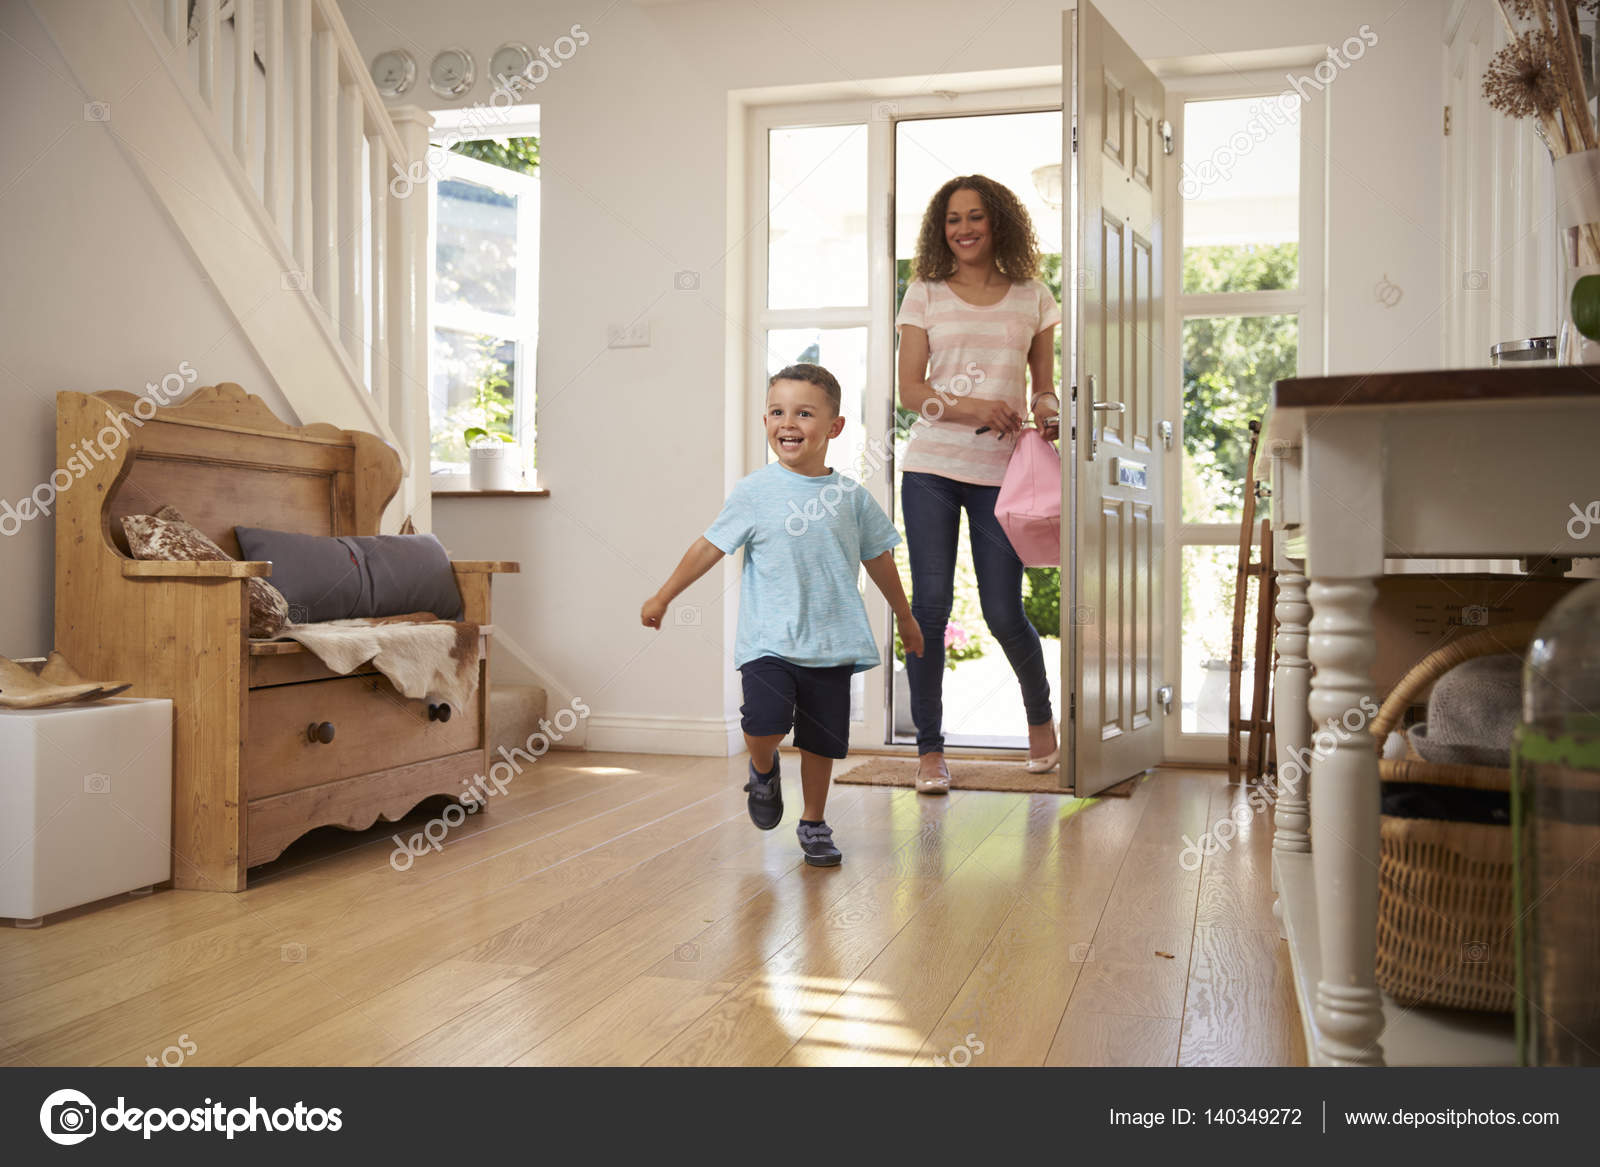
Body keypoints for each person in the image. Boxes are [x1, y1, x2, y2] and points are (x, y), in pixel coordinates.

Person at [641, 363, 923, 866]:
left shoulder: (852, 498)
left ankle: (814, 822)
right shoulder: (755, 491)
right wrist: (664, 596)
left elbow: (879, 557)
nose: (787, 423)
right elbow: (709, 547)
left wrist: (905, 617)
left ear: (834, 427)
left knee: (822, 742)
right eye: (777, 411)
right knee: (764, 722)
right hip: (768, 640)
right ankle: (763, 768)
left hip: (831, 642)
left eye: (803, 413)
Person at [894, 174, 1061, 794]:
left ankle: (1041, 722)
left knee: (1003, 611)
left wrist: (1044, 409)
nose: (963, 229)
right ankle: (930, 752)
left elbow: (1041, 382)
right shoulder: (925, 293)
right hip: (933, 468)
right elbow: (911, 391)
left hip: (1002, 475)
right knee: (929, 608)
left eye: (975, 218)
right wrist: (974, 407)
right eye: (952, 219)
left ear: (999, 224)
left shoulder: (1033, 296)